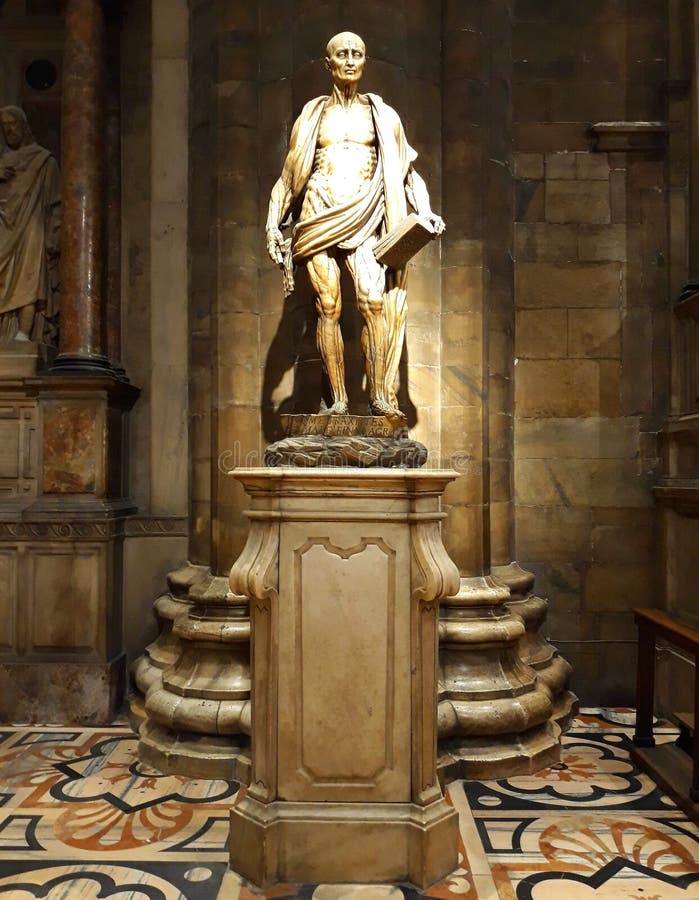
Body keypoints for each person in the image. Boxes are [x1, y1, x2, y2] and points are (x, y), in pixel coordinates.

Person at [266, 32, 444, 418]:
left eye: (357, 54)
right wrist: (271, 224)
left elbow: (407, 172)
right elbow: (288, 176)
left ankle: (380, 395)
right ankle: (339, 402)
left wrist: (425, 210)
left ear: (364, 62)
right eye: (342, 54)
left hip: (365, 213)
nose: (350, 60)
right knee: (327, 306)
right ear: (328, 63)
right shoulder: (313, 116)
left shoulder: (382, 114)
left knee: (373, 301)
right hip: (318, 211)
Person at [0, 106, 61, 342]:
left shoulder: (43, 161)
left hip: (30, 228)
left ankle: (24, 333)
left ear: (25, 126)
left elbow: (57, 202)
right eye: (4, 126)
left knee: (30, 276)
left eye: (12, 124)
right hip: (4, 227)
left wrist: (55, 235)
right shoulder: (2, 162)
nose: (9, 130)